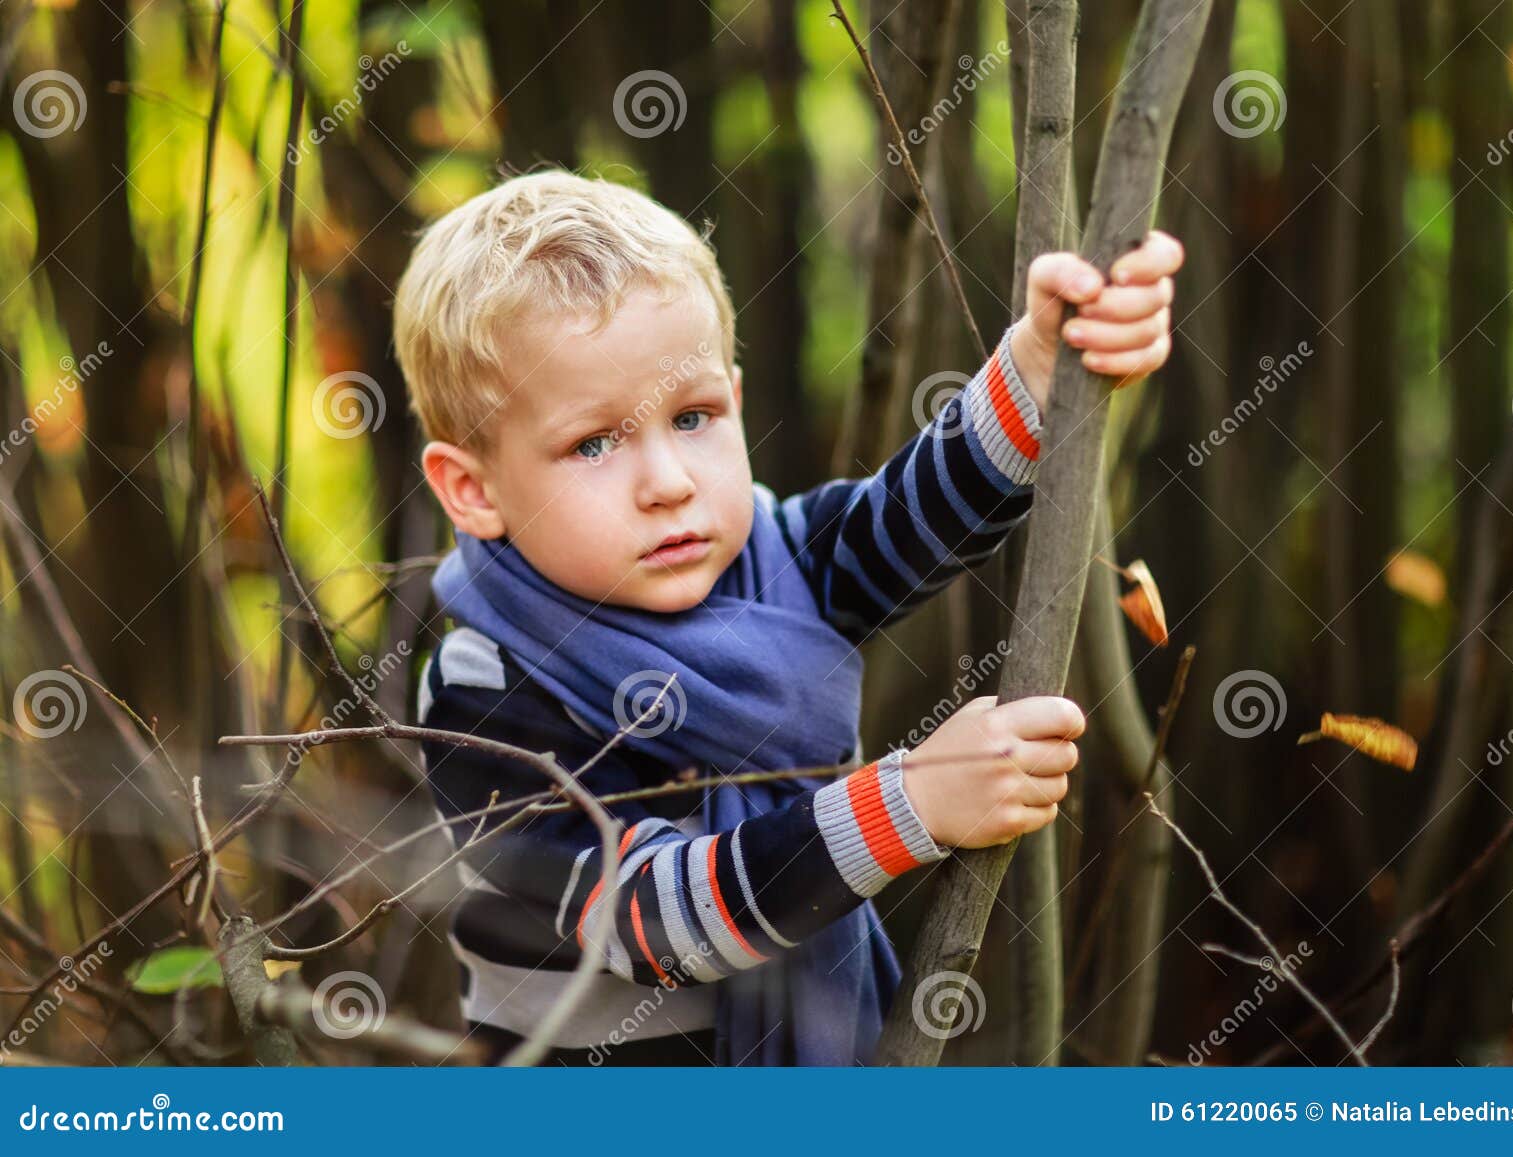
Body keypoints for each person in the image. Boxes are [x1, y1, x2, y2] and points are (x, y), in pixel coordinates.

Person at [392, 169, 1184, 1066]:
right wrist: (911, 801)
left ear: (734, 400)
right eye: (594, 442)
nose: (668, 482)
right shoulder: (485, 688)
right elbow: (652, 921)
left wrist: (1041, 366)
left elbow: (921, 512)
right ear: (473, 489)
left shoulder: (777, 561)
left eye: (693, 416)